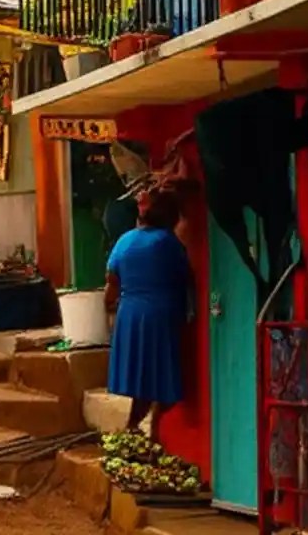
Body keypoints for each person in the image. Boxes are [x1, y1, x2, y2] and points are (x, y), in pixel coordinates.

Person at [104, 188, 193, 440]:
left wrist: (111, 313)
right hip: (159, 313)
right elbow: (186, 274)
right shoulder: (167, 242)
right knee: (162, 378)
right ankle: (147, 428)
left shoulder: (124, 240)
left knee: (141, 380)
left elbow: (111, 282)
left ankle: (136, 428)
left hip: (129, 313)